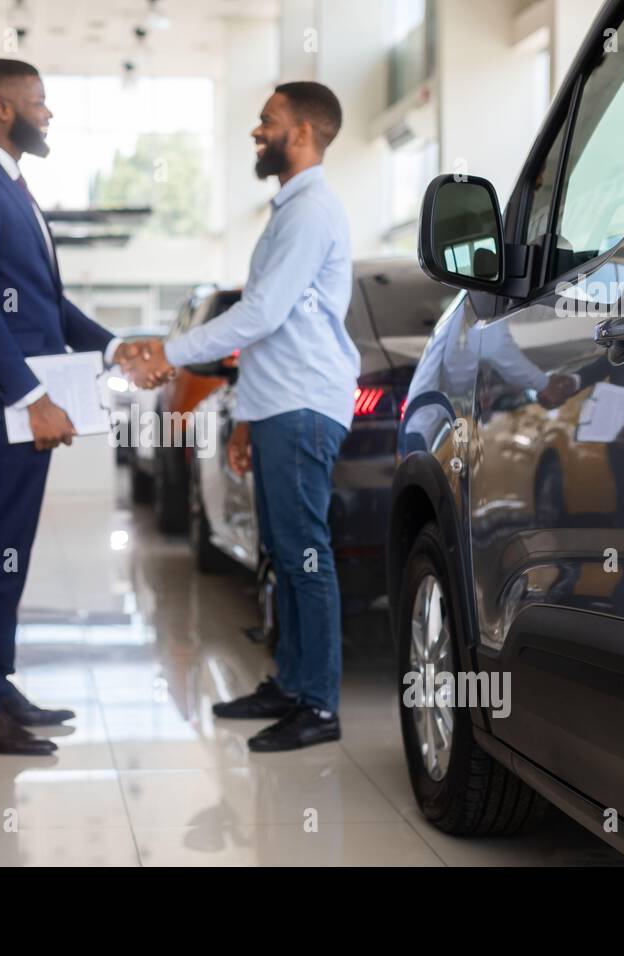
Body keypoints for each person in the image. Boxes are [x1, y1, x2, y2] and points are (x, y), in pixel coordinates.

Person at [125, 82, 358, 751]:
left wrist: (167, 354)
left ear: (306, 132)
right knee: (281, 553)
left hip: (304, 407)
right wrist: (250, 418)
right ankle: (289, 684)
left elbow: (259, 316)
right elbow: (269, 334)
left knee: (305, 553)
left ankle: (318, 704)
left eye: (269, 121)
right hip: (281, 405)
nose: (258, 131)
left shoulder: (311, 212)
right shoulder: (290, 211)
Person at [0, 58, 144, 755]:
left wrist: (115, 349)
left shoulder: (11, 185)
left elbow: (45, 305)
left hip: (22, 403)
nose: (48, 113)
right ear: (0, 107)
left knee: (11, 551)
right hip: (5, 405)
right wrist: (32, 396)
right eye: (38, 102)